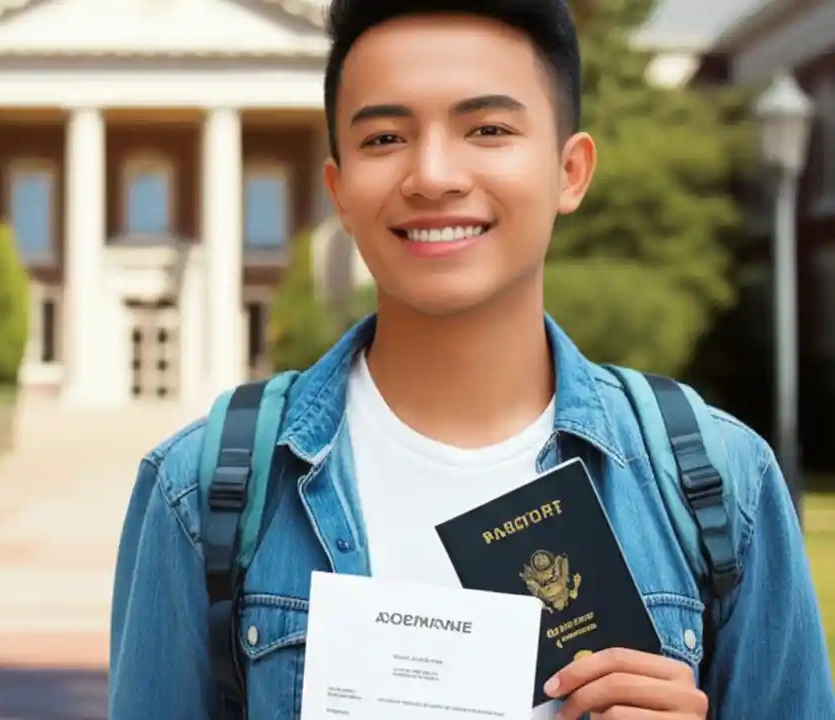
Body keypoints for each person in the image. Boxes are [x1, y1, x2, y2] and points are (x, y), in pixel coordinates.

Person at [108, 1, 835, 718]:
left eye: (487, 128)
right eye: (385, 137)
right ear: (339, 191)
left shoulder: (719, 481)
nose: (432, 175)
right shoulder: (202, 491)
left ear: (570, 172)